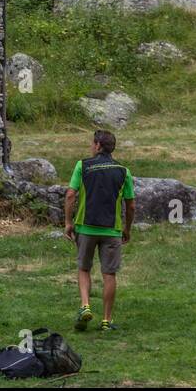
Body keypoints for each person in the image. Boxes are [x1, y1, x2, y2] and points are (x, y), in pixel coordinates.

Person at [65, 129, 136, 333]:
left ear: (97, 145)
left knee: (84, 268)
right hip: (112, 230)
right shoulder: (124, 171)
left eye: (92, 143)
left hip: (85, 227)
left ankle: (85, 305)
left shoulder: (83, 165)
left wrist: (68, 222)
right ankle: (106, 320)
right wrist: (127, 229)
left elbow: (70, 195)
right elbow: (130, 206)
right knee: (109, 273)